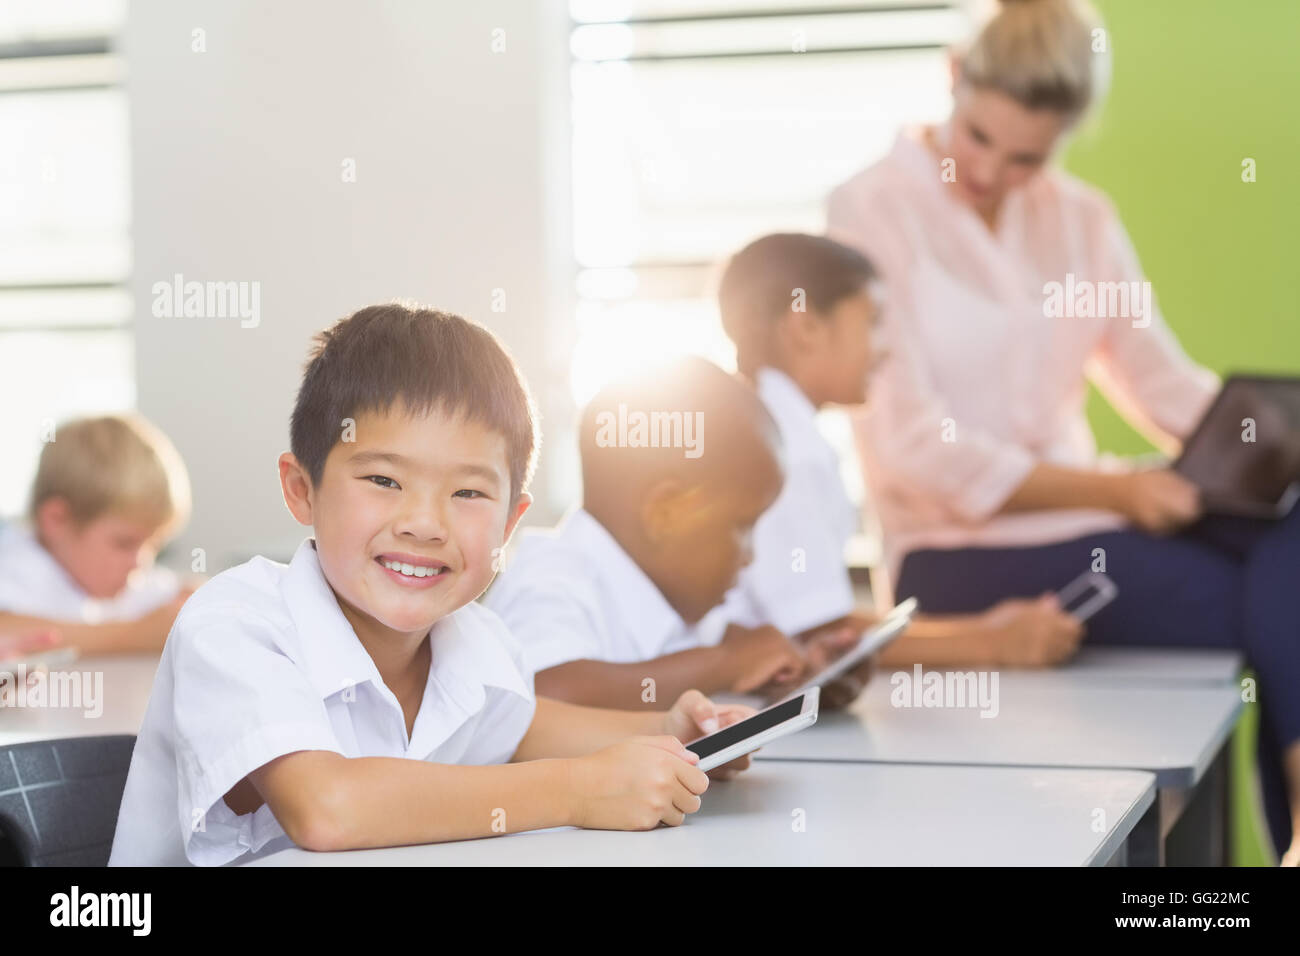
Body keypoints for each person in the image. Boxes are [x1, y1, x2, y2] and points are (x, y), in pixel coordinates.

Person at [827, 0, 1300, 862]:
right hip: (956, 549)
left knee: (1294, 522)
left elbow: (1161, 381)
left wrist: (1271, 440)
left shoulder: (1080, 218)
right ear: (953, 77)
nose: (992, 172)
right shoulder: (870, 210)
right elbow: (913, 447)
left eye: (1027, 156)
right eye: (978, 138)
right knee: (1272, 599)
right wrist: (1115, 489)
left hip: (1094, 518)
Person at [109, 304, 751, 866]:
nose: (423, 524)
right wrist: (579, 789)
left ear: (511, 522)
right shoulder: (236, 622)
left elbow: (520, 727)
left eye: (469, 492)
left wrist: (670, 732)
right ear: (302, 489)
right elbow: (328, 807)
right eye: (384, 481)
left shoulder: (474, 636)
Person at [717, 232, 1084, 709]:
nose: (884, 349)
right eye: (872, 323)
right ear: (804, 327)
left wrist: (991, 628)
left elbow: (822, 620)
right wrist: (996, 643)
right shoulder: (789, 451)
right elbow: (819, 631)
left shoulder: (776, 431)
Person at [488, 356, 816, 709]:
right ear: (666, 514)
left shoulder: (668, 594)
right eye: (743, 525)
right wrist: (725, 664)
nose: (750, 557)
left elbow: (718, 643)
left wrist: (794, 662)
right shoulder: (552, 579)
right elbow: (547, 695)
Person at [0, 415, 194, 654]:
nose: (139, 563)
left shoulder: (121, 580)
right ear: (56, 521)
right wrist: (136, 634)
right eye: (124, 543)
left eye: (153, 545)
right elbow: (6, 630)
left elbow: (185, 593)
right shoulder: (16, 565)